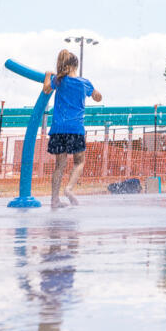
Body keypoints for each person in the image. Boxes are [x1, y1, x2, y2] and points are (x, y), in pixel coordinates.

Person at [43, 49, 101, 210]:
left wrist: (48, 76)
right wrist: (96, 95)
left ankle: (54, 200)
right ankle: (68, 188)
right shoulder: (84, 83)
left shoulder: (58, 80)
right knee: (79, 162)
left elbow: (46, 89)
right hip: (76, 129)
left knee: (59, 165)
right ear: (76, 65)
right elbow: (98, 96)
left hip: (58, 129)